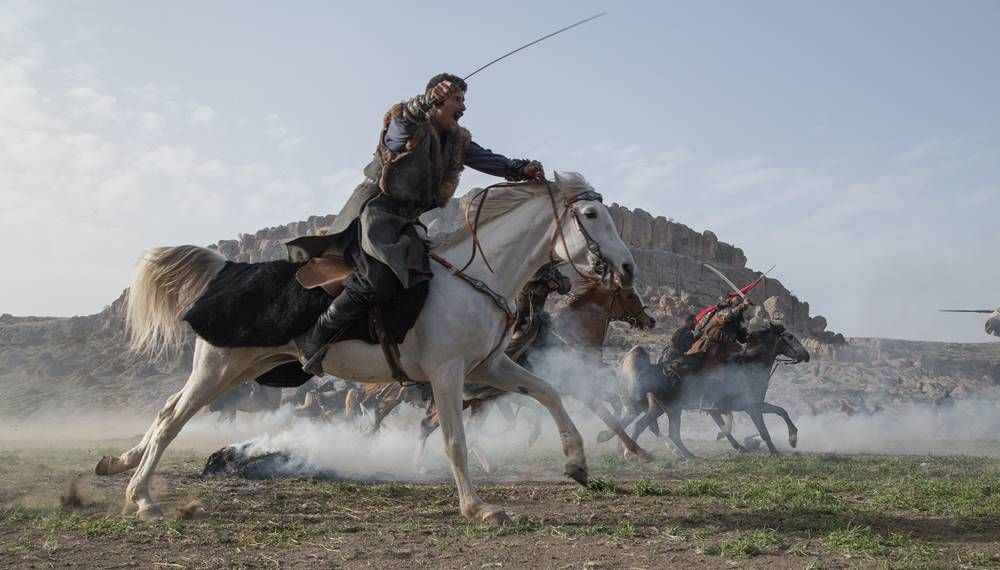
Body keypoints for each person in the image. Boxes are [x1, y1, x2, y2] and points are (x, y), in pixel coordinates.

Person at [289, 74, 545, 374]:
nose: (463, 107)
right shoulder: (408, 123)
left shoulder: (456, 141)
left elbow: (488, 160)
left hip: (407, 224)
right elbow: (398, 133)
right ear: (437, 99)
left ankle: (407, 353)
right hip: (375, 214)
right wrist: (422, 103)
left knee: (429, 282)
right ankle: (316, 336)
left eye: (464, 101)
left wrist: (519, 168)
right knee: (380, 279)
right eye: (457, 99)